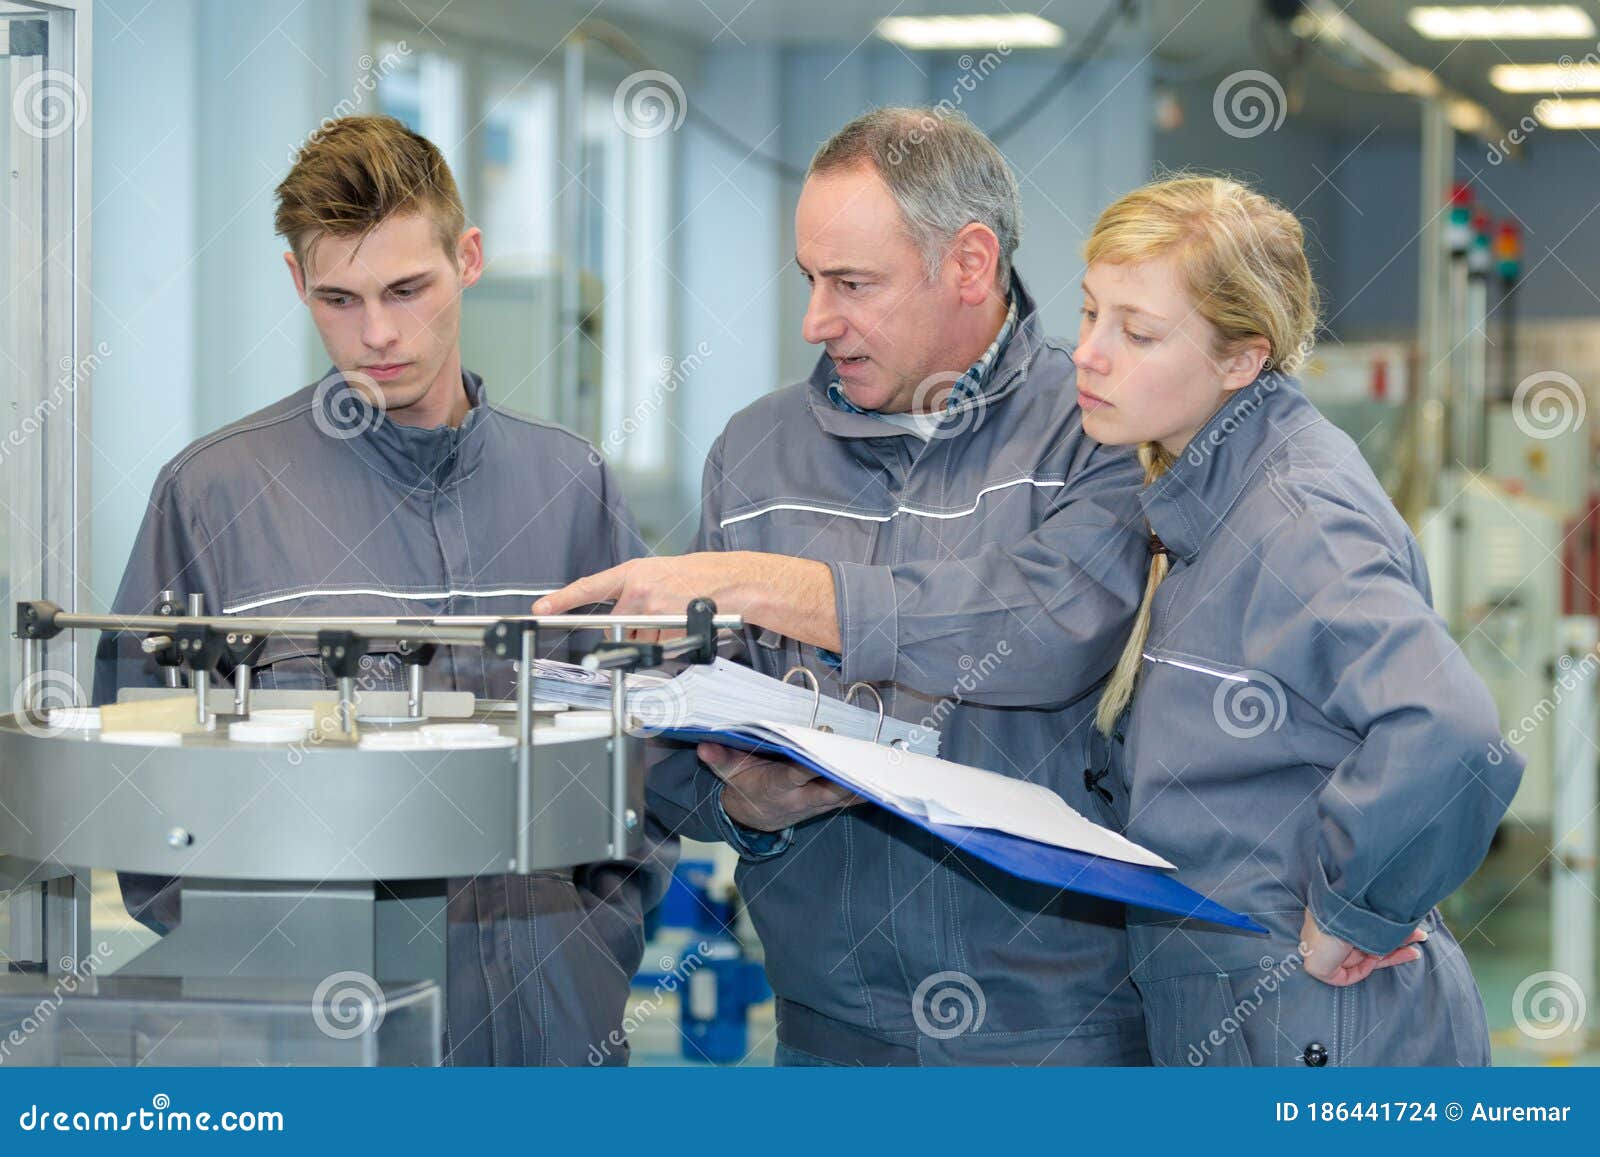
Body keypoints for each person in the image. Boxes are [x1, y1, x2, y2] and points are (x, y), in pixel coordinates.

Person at [537, 109, 1153, 1065]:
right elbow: (677, 733)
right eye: (810, 280)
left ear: (971, 264)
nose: (816, 322)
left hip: (1057, 1040)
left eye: (852, 284)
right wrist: (743, 809)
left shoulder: (1098, 429)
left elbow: (1051, 626)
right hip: (826, 1032)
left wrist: (776, 586)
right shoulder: (756, 451)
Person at [94, 115, 663, 1066]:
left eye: (408, 288)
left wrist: (587, 946)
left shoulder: (573, 489)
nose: (379, 334)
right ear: (296, 282)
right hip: (311, 1054)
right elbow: (142, 797)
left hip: (552, 1039)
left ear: (468, 257)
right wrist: (265, 980)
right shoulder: (212, 499)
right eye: (339, 299)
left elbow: (645, 754)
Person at [1076, 174, 1522, 1066]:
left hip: (1321, 1024)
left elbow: (1452, 728)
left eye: (1138, 332)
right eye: (1089, 313)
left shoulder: (1295, 514)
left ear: (1242, 360)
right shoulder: (1201, 497)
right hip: (1240, 1008)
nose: (1089, 354)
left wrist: (1354, 910)